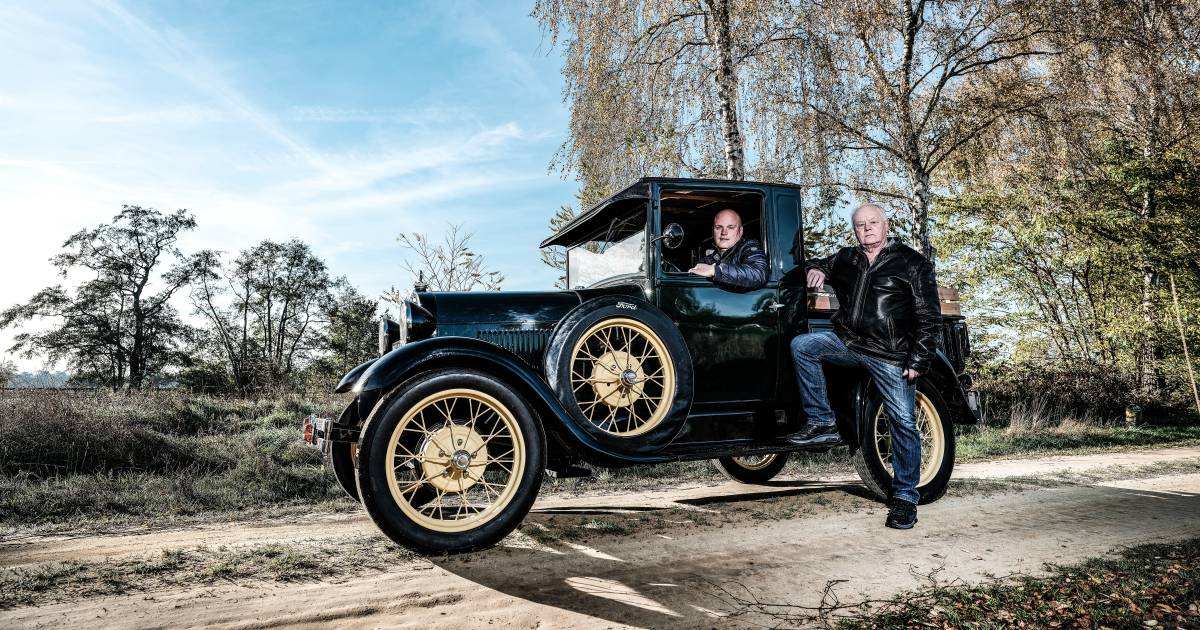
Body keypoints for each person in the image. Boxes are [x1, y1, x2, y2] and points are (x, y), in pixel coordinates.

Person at [786, 203, 940, 530]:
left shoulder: (912, 263)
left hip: (891, 354)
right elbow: (816, 263)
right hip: (850, 343)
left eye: (872, 223)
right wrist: (817, 269)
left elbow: (929, 319)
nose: (866, 229)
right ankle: (822, 421)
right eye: (860, 225)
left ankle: (905, 498)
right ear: (854, 230)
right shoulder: (848, 258)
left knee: (902, 422)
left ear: (885, 225)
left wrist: (918, 360)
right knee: (803, 346)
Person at [688, 209, 768, 291]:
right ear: (713, 231)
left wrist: (717, 271)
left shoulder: (749, 248)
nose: (724, 232)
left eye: (730, 227)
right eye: (718, 227)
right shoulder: (709, 259)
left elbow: (758, 274)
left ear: (740, 231)